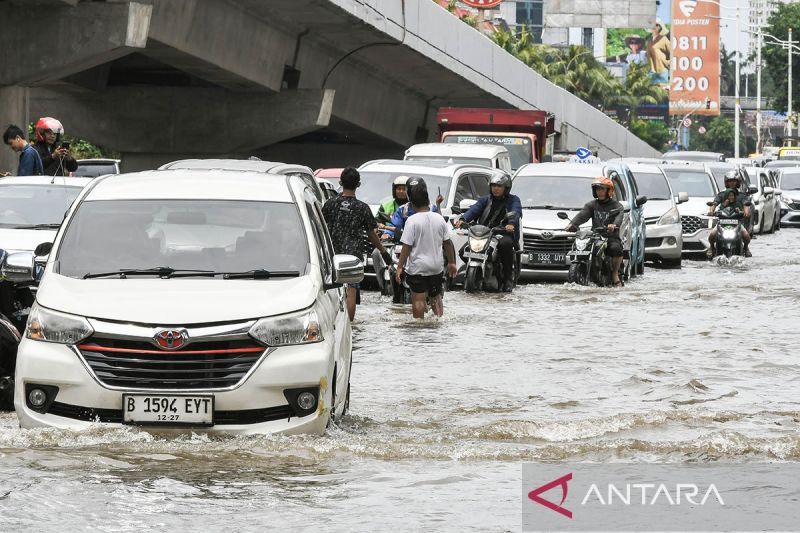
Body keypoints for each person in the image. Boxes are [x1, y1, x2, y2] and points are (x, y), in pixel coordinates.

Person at [322, 167, 392, 321]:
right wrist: (383, 252)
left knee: (333, 291)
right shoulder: (363, 208)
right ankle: (349, 326)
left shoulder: (329, 204)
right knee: (351, 290)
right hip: (353, 256)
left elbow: (321, 229)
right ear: (358, 184)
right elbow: (372, 234)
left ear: (340, 182)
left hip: (333, 255)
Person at [395, 179, 457, 319]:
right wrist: (452, 263)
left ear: (412, 203)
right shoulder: (439, 219)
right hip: (436, 267)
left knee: (418, 299)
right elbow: (447, 243)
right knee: (436, 297)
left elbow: (407, 246)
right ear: (428, 201)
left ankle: (419, 326)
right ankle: (439, 321)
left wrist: (400, 267)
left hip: (418, 268)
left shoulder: (412, 220)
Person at [454, 175, 522, 292]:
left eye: (499, 186)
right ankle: (475, 270)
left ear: (506, 188)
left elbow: (515, 212)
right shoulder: (485, 200)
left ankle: (507, 279)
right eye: (493, 186)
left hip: (502, 233)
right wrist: (463, 220)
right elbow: (474, 210)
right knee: (463, 252)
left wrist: (511, 223)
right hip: (484, 233)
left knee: (505, 245)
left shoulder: (513, 200)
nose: (495, 188)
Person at [564, 177, 625, 287]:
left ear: (608, 191)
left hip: (610, 236)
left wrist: (613, 225)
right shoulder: (591, 205)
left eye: (602, 189)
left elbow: (619, 218)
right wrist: (572, 224)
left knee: (616, 249)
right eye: (597, 189)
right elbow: (582, 215)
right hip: (595, 237)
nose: (600, 192)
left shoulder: (617, 206)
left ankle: (615, 274)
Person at [707, 170, 752, 257]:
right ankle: (712, 247)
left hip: (737, 222)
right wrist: (711, 211)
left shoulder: (742, 195)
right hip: (722, 222)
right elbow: (714, 203)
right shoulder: (721, 194)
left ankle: (746, 248)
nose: (732, 183)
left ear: (737, 182)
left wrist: (746, 212)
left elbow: (746, 205)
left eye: (734, 181)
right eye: (730, 181)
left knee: (746, 236)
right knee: (712, 235)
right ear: (726, 182)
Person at [646, 20, 670, 84]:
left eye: (656, 25)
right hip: (651, 71)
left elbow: (672, 53)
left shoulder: (664, 39)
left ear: (660, 27)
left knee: (662, 92)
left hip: (662, 71)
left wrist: (667, 62)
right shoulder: (649, 40)